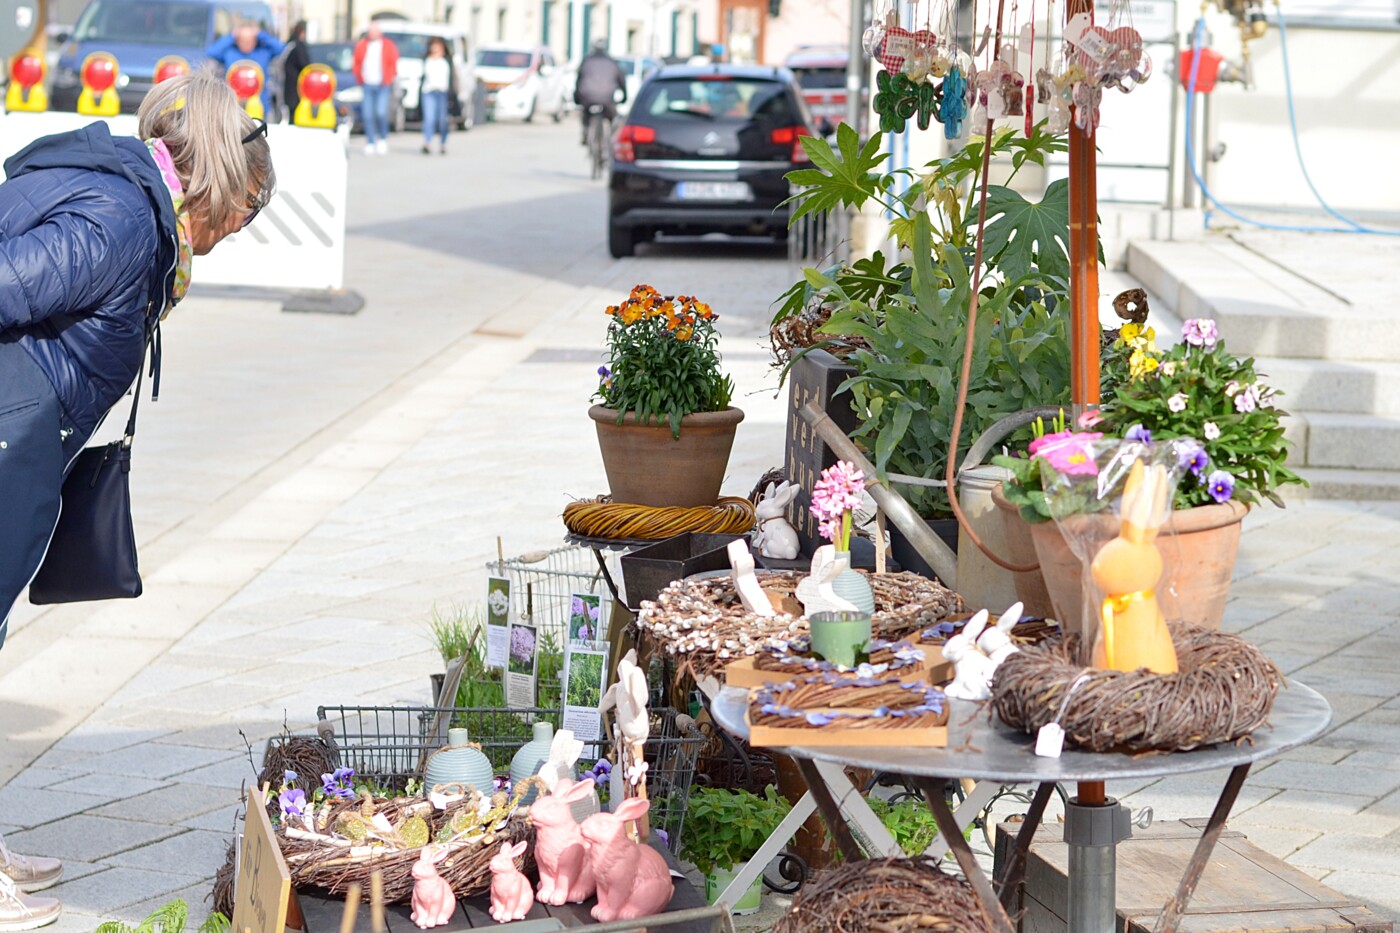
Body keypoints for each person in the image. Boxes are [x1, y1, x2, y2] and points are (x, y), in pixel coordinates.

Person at [0, 67, 274, 929]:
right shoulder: (122, 220)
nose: (243, 226)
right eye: (248, 205)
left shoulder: (135, 207)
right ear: (215, 180)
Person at [205, 15, 285, 112]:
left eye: (250, 40)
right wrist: (232, 35)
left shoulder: (262, 52)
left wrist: (260, 34)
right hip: (233, 104)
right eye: (243, 40)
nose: (247, 44)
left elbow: (281, 48)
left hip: (260, 104)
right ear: (237, 40)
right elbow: (212, 52)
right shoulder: (230, 53)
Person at [353, 21, 399, 156]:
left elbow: (393, 63)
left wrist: (388, 78)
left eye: (375, 31)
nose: (372, 33)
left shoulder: (388, 45)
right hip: (367, 83)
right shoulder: (362, 44)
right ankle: (370, 141)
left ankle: (382, 138)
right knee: (367, 114)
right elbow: (356, 62)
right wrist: (360, 78)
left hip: (382, 84)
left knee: (381, 112)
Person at [574, 39, 625, 146]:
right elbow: (621, 81)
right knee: (613, 117)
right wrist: (624, 96)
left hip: (587, 96)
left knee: (586, 114)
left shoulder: (587, 61)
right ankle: (612, 138)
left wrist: (576, 98)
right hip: (607, 97)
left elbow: (579, 80)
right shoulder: (612, 62)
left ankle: (586, 131)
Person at [420, 35, 452, 155]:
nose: (435, 47)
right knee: (429, 119)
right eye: (433, 45)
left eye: (437, 45)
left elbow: (451, 79)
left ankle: (443, 143)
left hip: (442, 92)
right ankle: (427, 143)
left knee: (442, 120)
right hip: (429, 92)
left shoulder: (446, 61)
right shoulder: (426, 60)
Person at [282, 20, 311, 121]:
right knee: (295, 113)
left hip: (287, 83)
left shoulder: (289, 44)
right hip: (296, 85)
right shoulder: (298, 46)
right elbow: (304, 64)